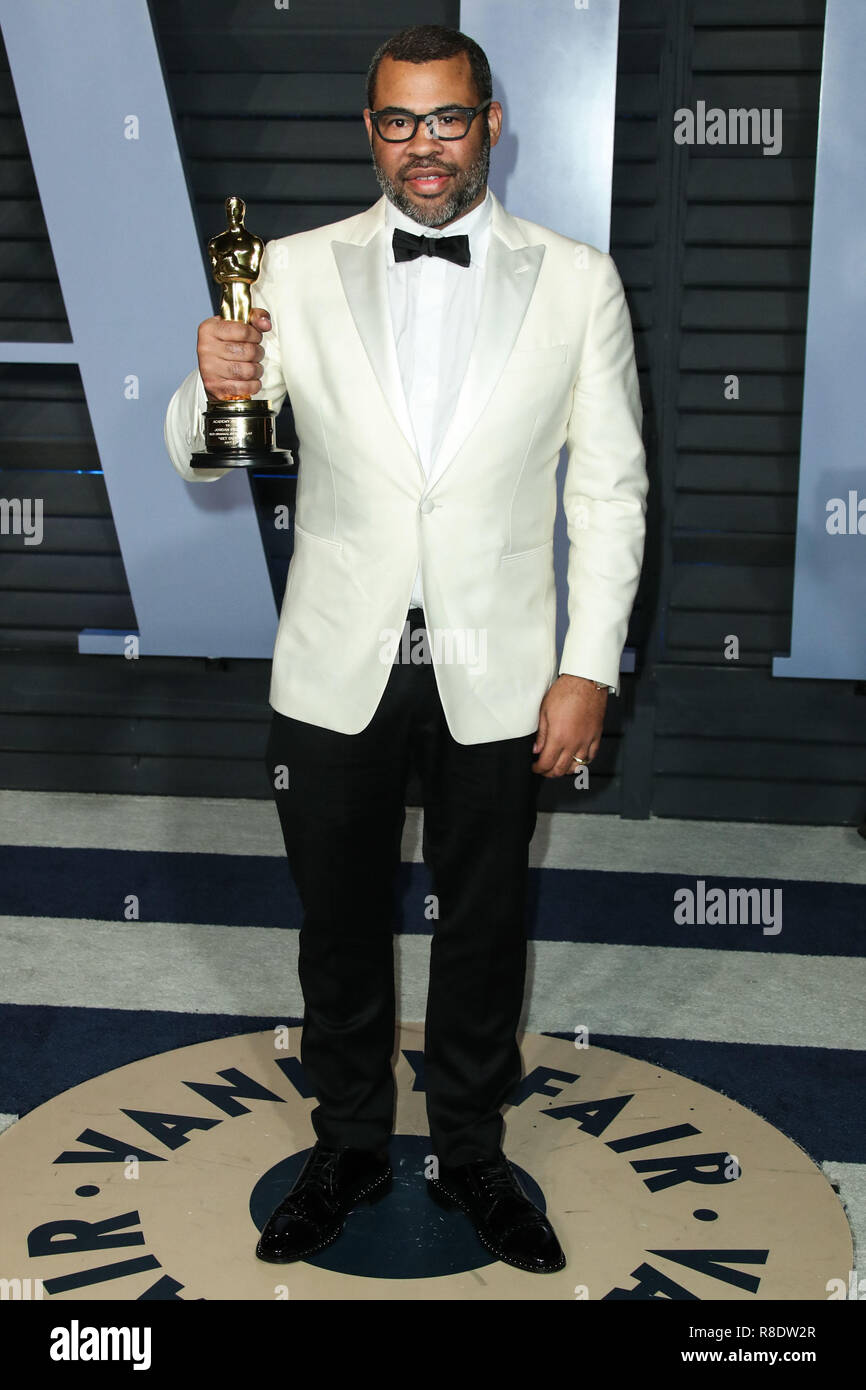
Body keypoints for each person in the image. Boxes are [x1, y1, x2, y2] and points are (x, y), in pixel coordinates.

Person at [164, 23, 648, 1276]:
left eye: (444, 119)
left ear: (490, 121)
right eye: (396, 121)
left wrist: (588, 664)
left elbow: (606, 495)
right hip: (337, 658)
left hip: (502, 662)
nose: (421, 147)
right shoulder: (288, 265)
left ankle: (475, 1153)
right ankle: (348, 1143)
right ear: (368, 130)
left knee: (485, 922)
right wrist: (203, 378)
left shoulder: (577, 280)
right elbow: (210, 438)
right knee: (337, 923)